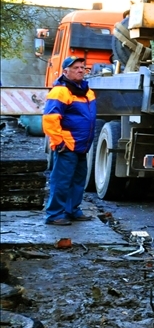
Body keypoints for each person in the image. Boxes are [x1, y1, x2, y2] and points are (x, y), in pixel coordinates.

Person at [42, 56, 97, 225]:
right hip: (67, 145)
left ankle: (72, 210)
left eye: (82, 67)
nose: (80, 70)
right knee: (62, 181)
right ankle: (54, 214)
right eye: (75, 68)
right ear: (66, 71)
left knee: (78, 180)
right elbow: (50, 119)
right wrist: (59, 142)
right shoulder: (60, 91)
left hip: (81, 145)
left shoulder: (87, 91)